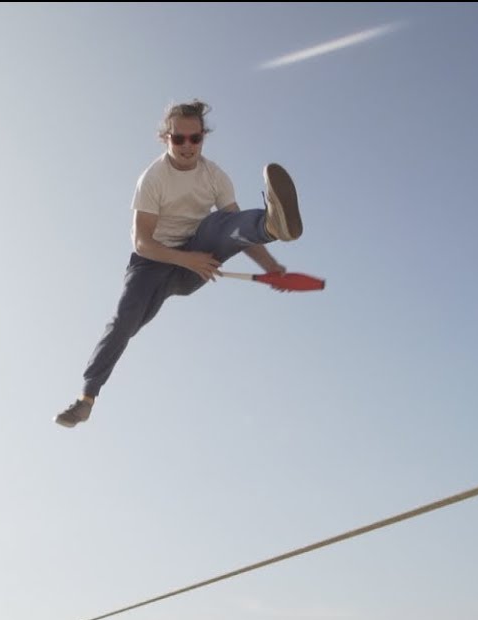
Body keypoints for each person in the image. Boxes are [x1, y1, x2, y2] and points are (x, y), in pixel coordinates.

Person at [54, 99, 303, 428]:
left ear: (203, 137)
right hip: (152, 261)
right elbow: (142, 242)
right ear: (166, 138)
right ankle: (86, 398)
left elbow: (233, 231)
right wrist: (187, 258)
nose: (187, 147)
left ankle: (271, 226)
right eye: (179, 139)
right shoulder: (153, 178)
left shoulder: (214, 176)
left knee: (219, 223)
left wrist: (270, 266)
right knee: (125, 321)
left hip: (195, 257)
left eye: (194, 139)